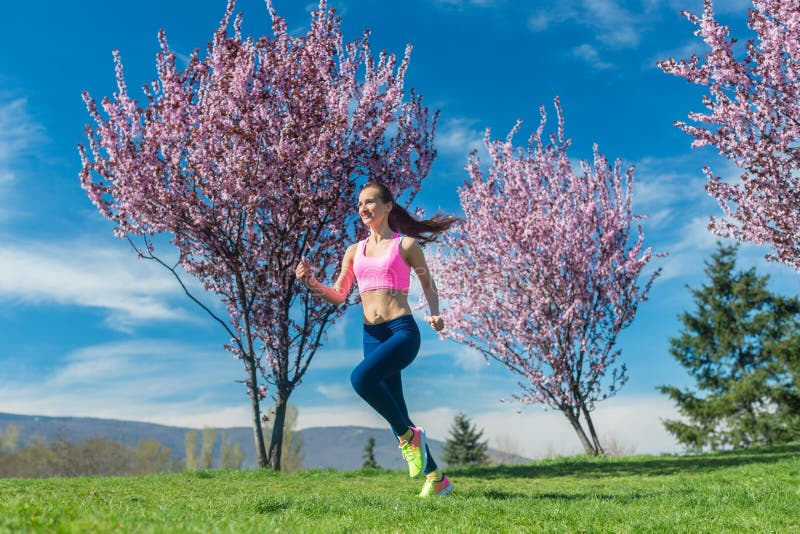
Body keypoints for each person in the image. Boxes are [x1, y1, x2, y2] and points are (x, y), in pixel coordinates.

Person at [295, 181, 459, 497]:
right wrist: (311, 282)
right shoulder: (354, 251)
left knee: (361, 379)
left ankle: (408, 438)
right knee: (397, 408)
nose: (364, 209)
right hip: (372, 335)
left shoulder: (406, 246)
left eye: (370, 202)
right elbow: (338, 295)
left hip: (401, 332)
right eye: (360, 205)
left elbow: (428, 284)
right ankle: (437, 479)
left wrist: (436, 314)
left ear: (387, 206)